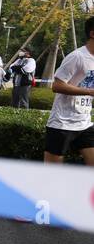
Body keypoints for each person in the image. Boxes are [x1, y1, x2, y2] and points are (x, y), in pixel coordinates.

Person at [44, 16, 94, 166]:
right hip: (61, 123)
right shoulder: (77, 57)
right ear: (92, 33)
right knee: (52, 175)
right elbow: (57, 86)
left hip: (84, 123)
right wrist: (89, 92)